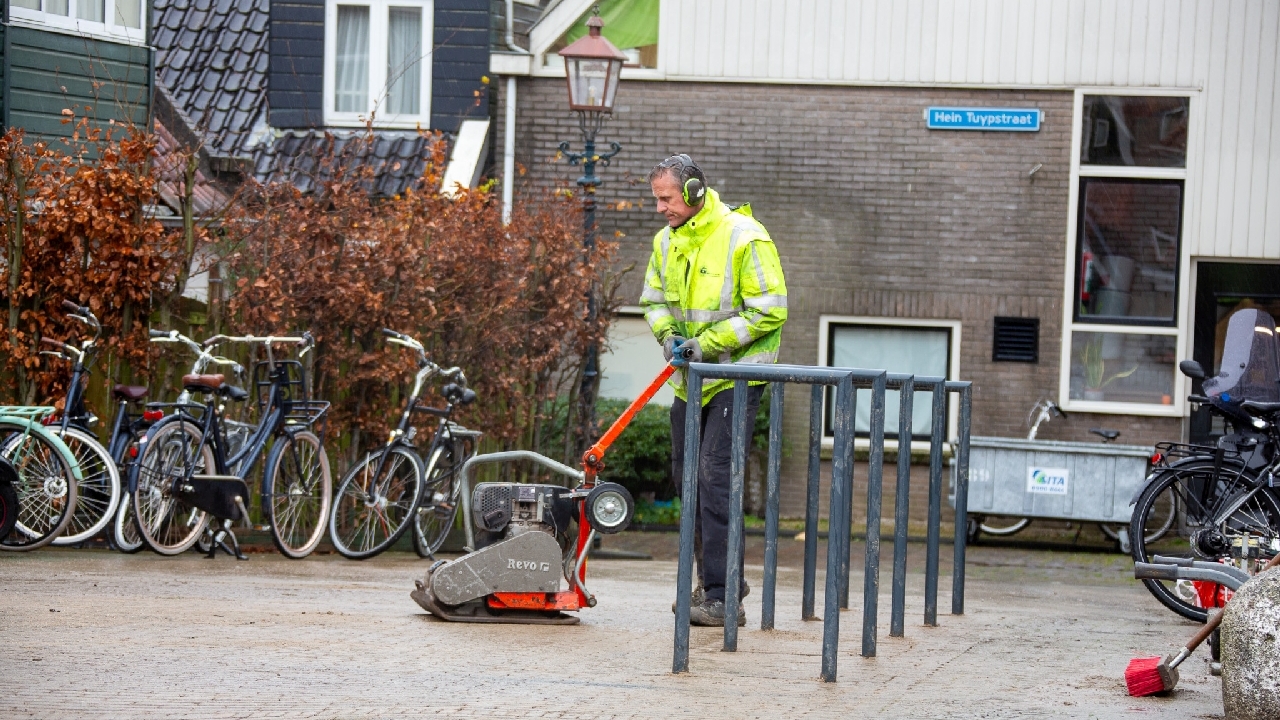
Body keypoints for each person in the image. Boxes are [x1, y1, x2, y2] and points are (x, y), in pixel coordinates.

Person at [640, 154, 788, 627]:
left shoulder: (746, 236)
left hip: (735, 379)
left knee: (714, 480)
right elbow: (653, 301)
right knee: (689, 479)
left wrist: (706, 344)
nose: (660, 208)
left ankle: (724, 598)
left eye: (666, 198)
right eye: (657, 199)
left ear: (693, 192)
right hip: (691, 382)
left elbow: (770, 309)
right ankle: (715, 583)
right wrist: (668, 337)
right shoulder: (666, 242)